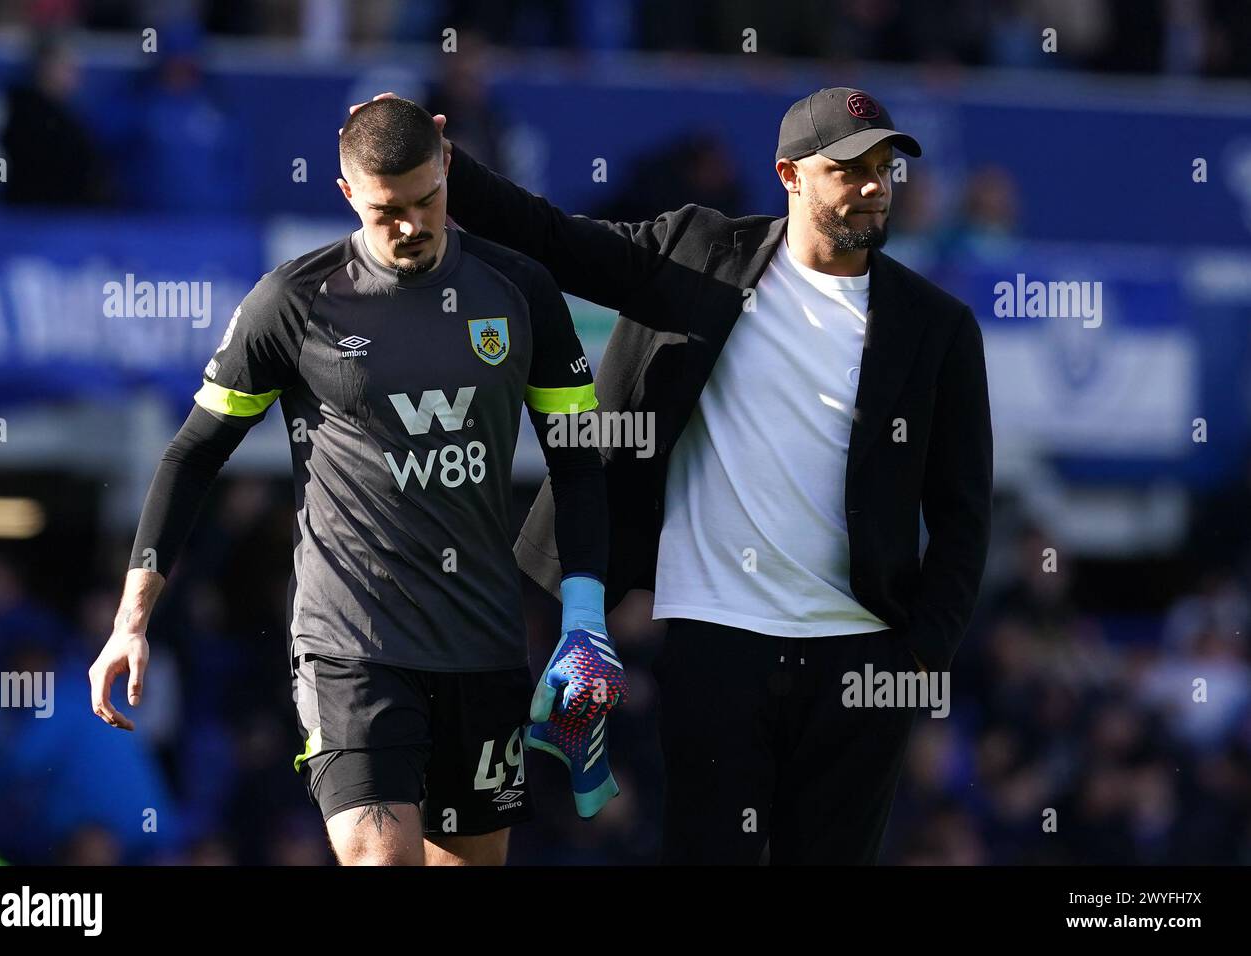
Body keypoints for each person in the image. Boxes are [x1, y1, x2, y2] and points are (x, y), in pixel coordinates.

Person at [356, 85, 993, 864]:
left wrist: (922, 654)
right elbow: (555, 239)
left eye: (885, 168)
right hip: (717, 640)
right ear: (790, 176)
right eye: (849, 168)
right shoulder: (702, 255)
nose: (872, 186)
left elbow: (964, 514)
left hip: (860, 658)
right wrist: (451, 168)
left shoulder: (937, 326)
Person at [89, 97, 623, 866]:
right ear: (346, 195)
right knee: (381, 857)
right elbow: (192, 454)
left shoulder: (520, 290)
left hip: (482, 641)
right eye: (386, 211)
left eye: (425, 200)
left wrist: (584, 618)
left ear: (447, 164)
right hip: (352, 643)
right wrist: (131, 619)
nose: (410, 225)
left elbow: (576, 457)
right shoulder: (294, 301)